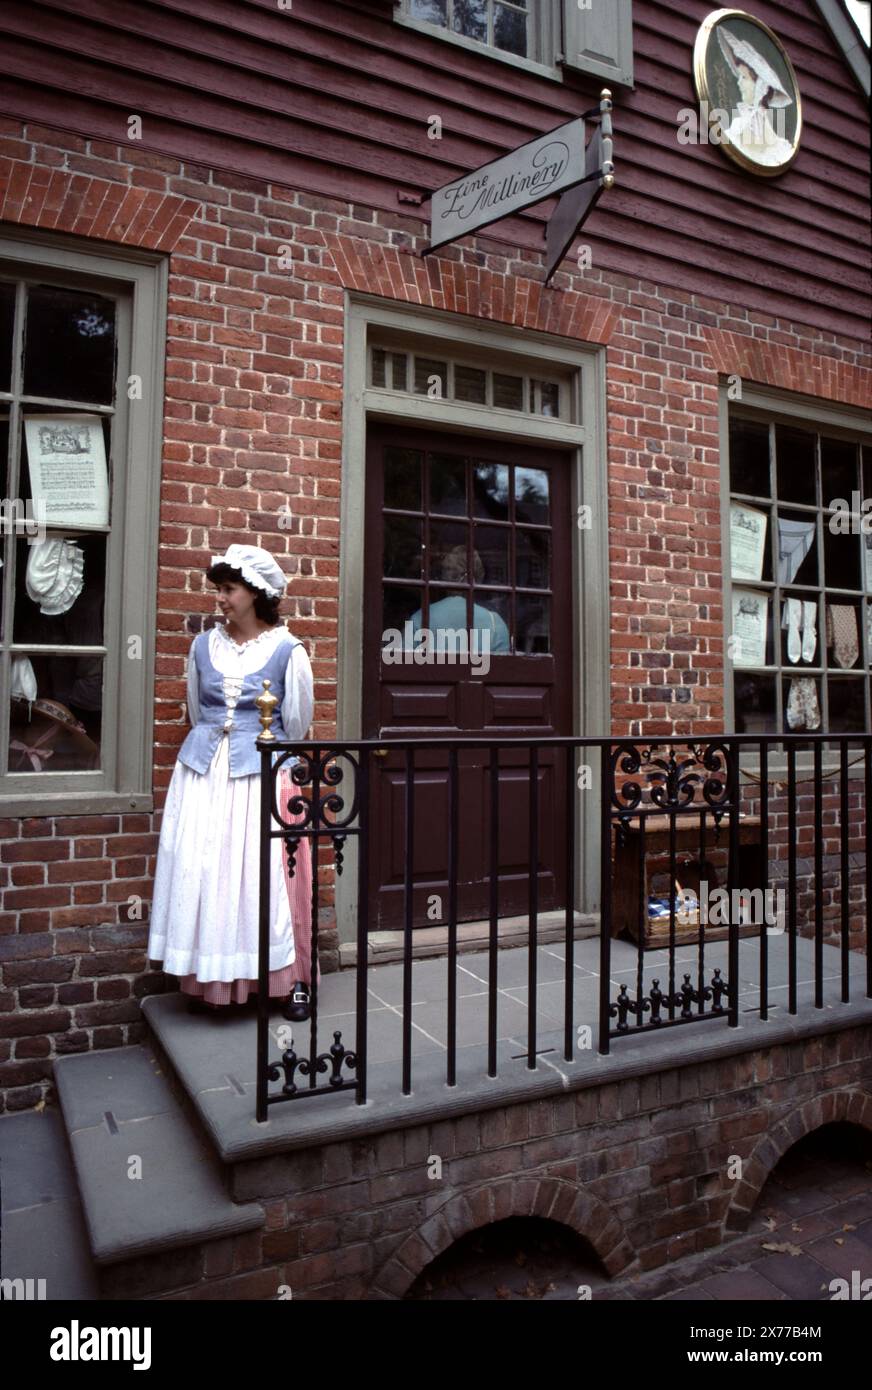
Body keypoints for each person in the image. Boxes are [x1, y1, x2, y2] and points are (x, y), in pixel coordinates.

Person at [147, 544, 314, 1015]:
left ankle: (289, 979)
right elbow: (200, 712)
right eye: (218, 589)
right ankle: (218, 976)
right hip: (203, 776)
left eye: (228, 589)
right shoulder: (203, 646)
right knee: (210, 873)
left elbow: (295, 725)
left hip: (260, 776)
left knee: (264, 877)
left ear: (255, 594)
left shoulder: (287, 650)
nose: (220, 598)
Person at [717, 24, 795, 169]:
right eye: (739, 77)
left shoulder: (780, 148)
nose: (739, 82)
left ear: (761, 87)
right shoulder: (736, 129)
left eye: (744, 78)